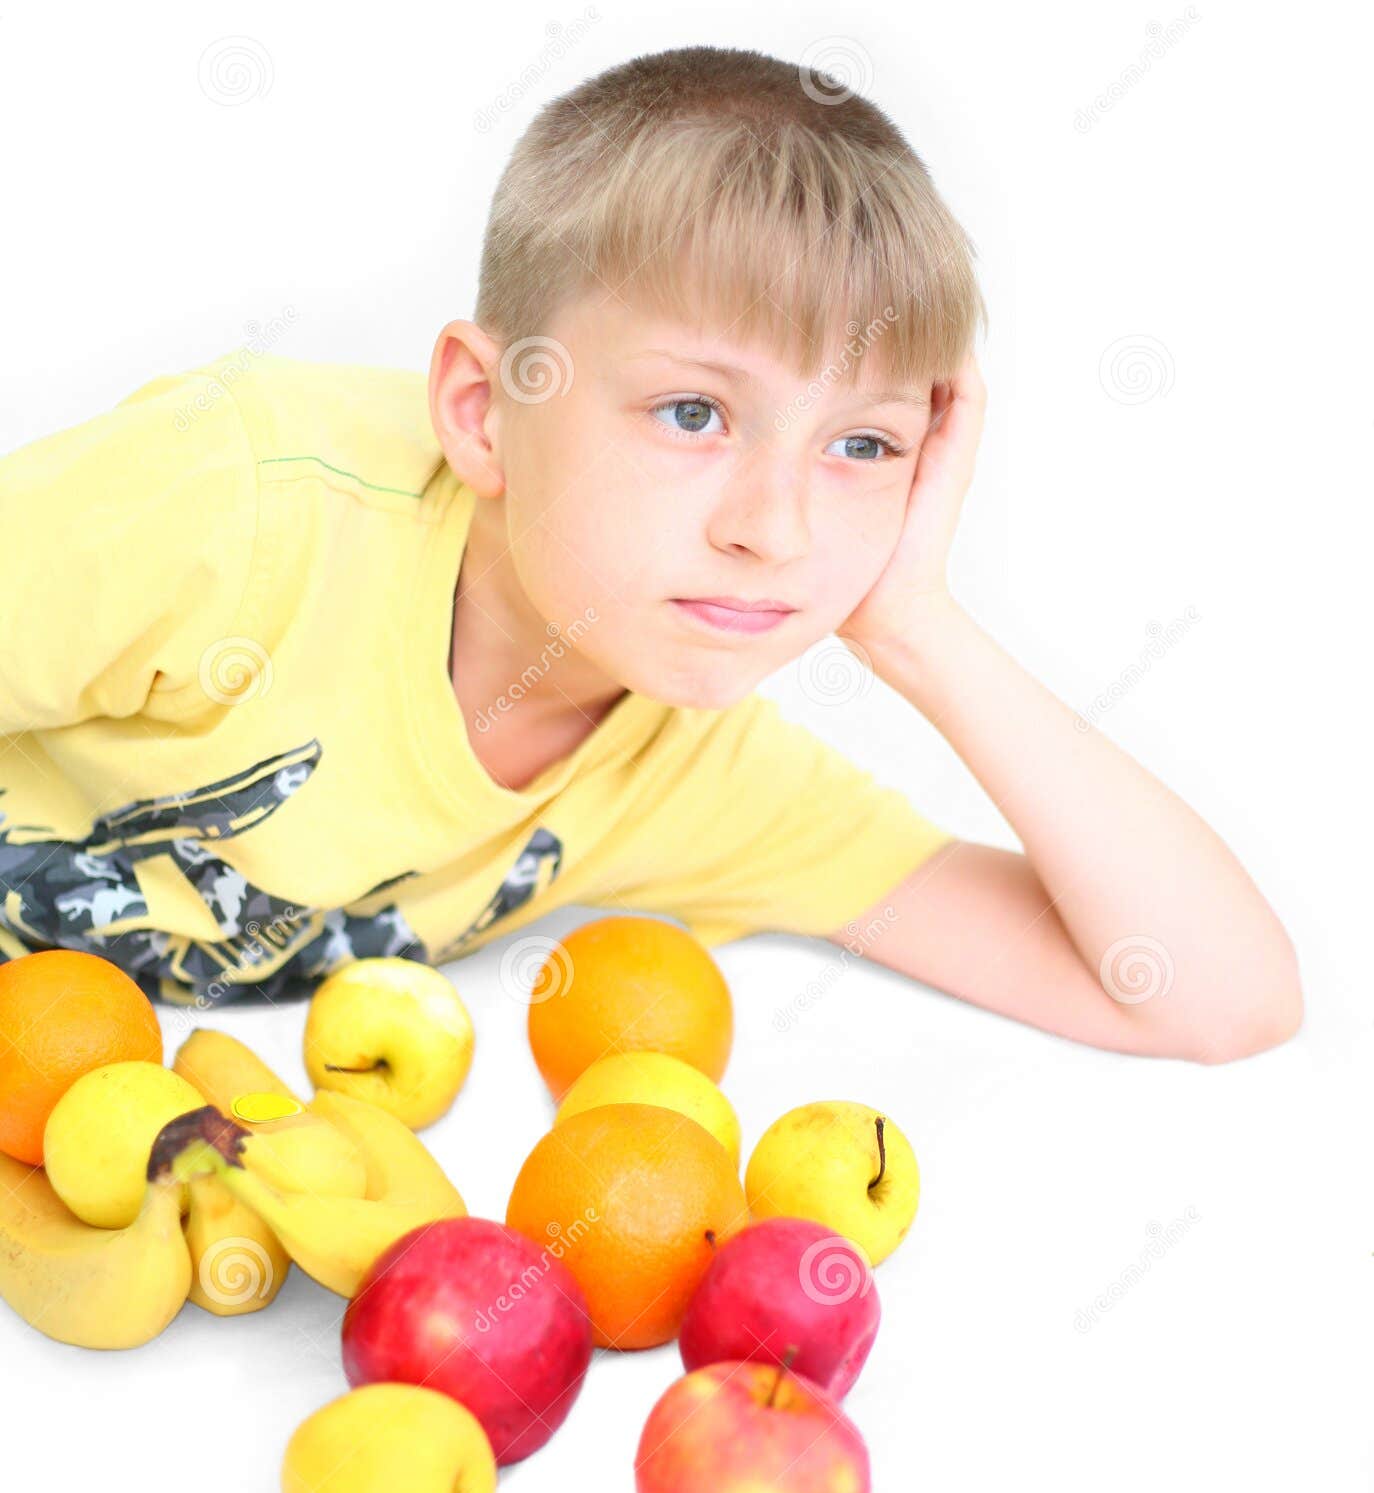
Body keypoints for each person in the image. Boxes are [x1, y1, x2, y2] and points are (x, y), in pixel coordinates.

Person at [0, 45, 1301, 1061]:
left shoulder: (690, 760)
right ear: (482, 411)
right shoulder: (232, 511)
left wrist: (916, 625)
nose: (774, 530)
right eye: (693, 414)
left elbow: (1217, 998)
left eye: (861, 445)